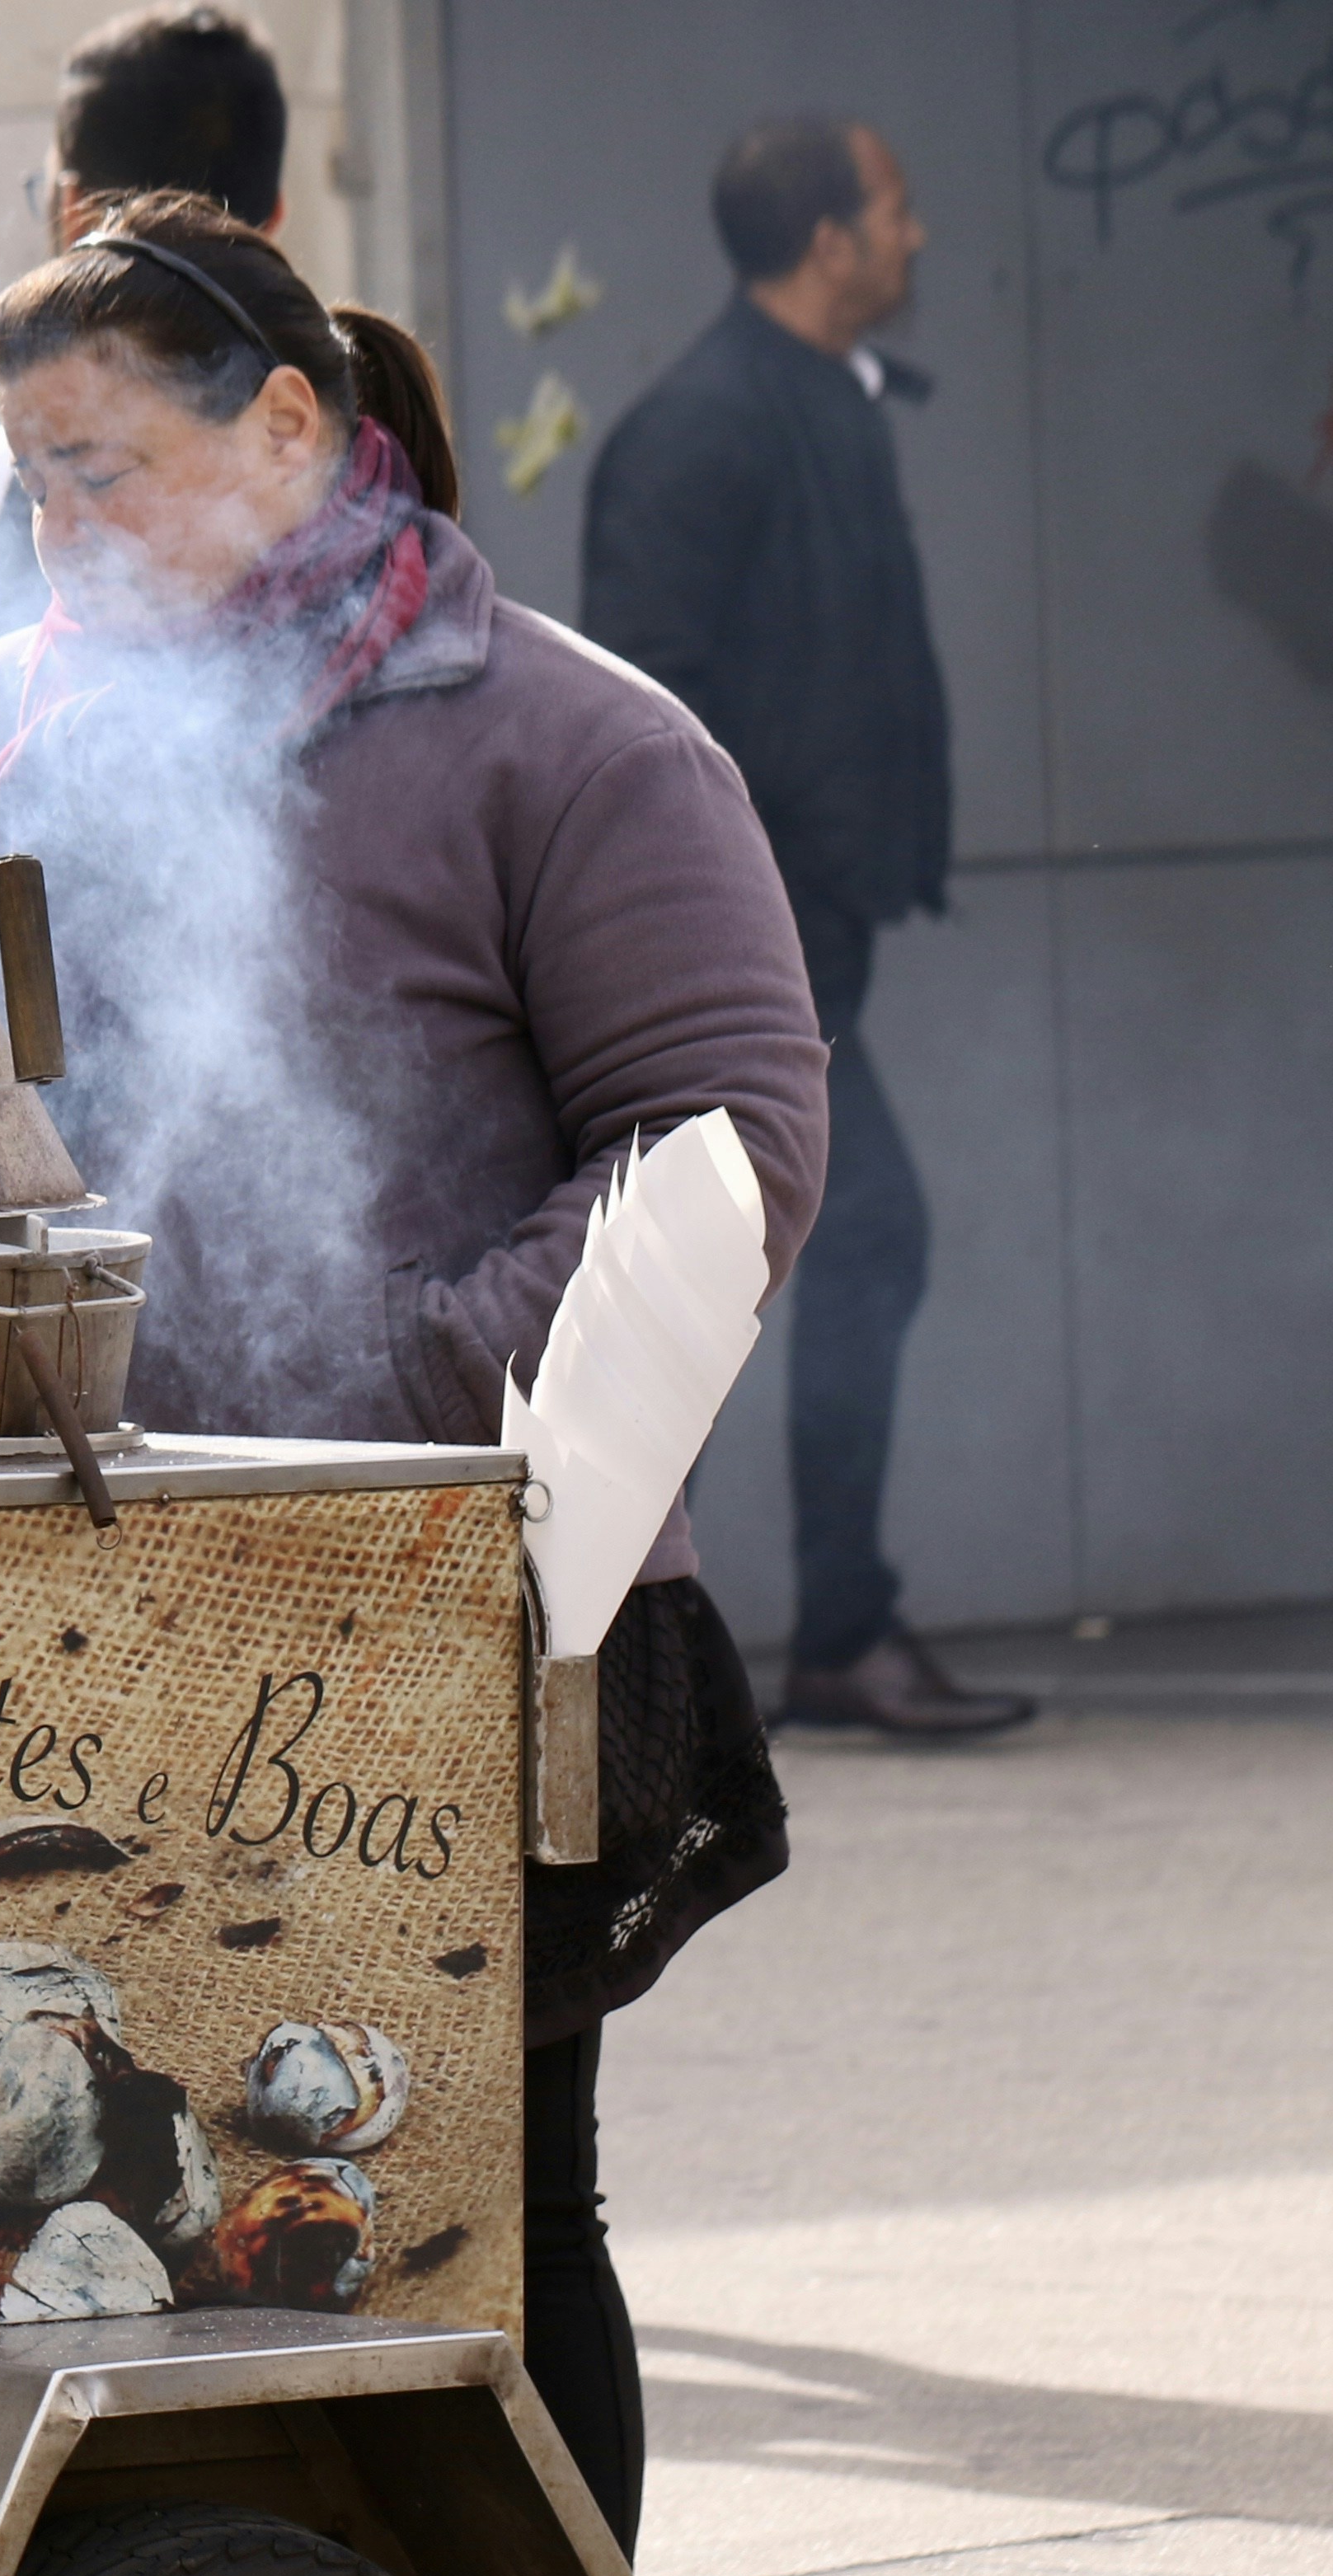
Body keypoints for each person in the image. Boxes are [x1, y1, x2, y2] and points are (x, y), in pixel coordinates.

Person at [0, 195, 836, 2576]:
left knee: (495, 2213)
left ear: (295, 428)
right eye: (27, 484)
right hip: (64, 1617)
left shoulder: (561, 739)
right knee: (129, 2196)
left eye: (111, 471)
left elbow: (727, 1138)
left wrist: (411, 1382)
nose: (62, 535)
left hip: (463, 1601)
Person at [584, 120, 1022, 1736]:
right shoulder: (700, 429)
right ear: (831, 241)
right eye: (898, 211)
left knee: (752, 1270)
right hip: (736, 955)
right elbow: (643, 719)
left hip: (812, 932)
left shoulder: (829, 404)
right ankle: (660, 1636)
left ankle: (671, 1632)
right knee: (774, 1263)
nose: (917, 237)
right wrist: (737, 913)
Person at [0, 6, 292, 677]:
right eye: (43, 493)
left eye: (100, 476)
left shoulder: (4, 472)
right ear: (275, 216)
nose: (63, 521)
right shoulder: (359, 425)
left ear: (73, 210)